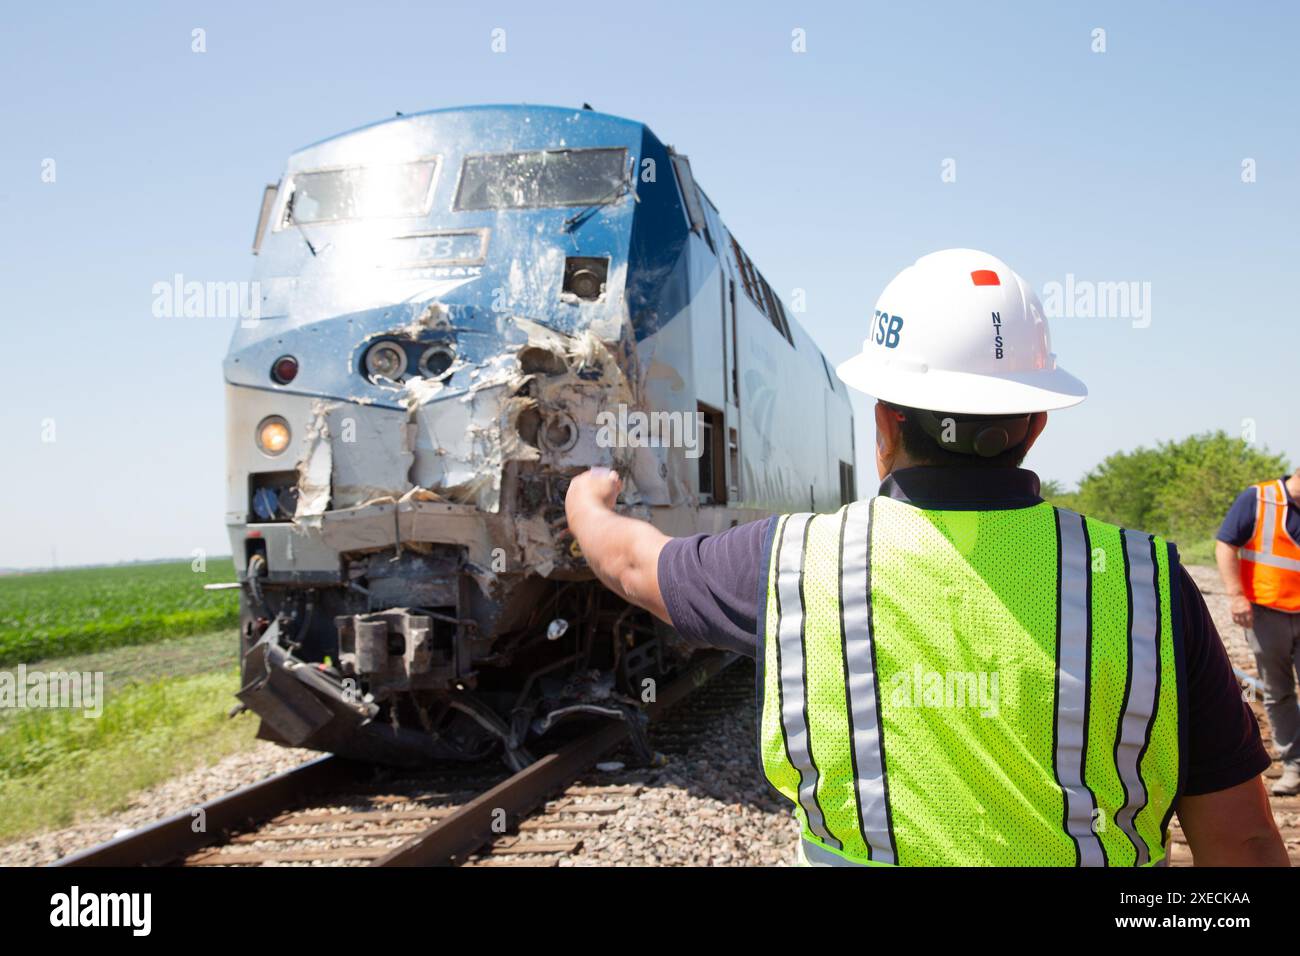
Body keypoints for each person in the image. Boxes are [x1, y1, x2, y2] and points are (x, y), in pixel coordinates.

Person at [566, 248, 1288, 866]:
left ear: (884, 419)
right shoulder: (1148, 584)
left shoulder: (790, 562)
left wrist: (586, 501)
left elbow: (633, 564)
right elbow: (1245, 847)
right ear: (1035, 424)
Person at [1216, 467, 1300, 796]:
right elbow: (1226, 545)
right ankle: (1293, 765)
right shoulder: (1259, 498)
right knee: (1278, 692)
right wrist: (1236, 596)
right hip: (1266, 614)